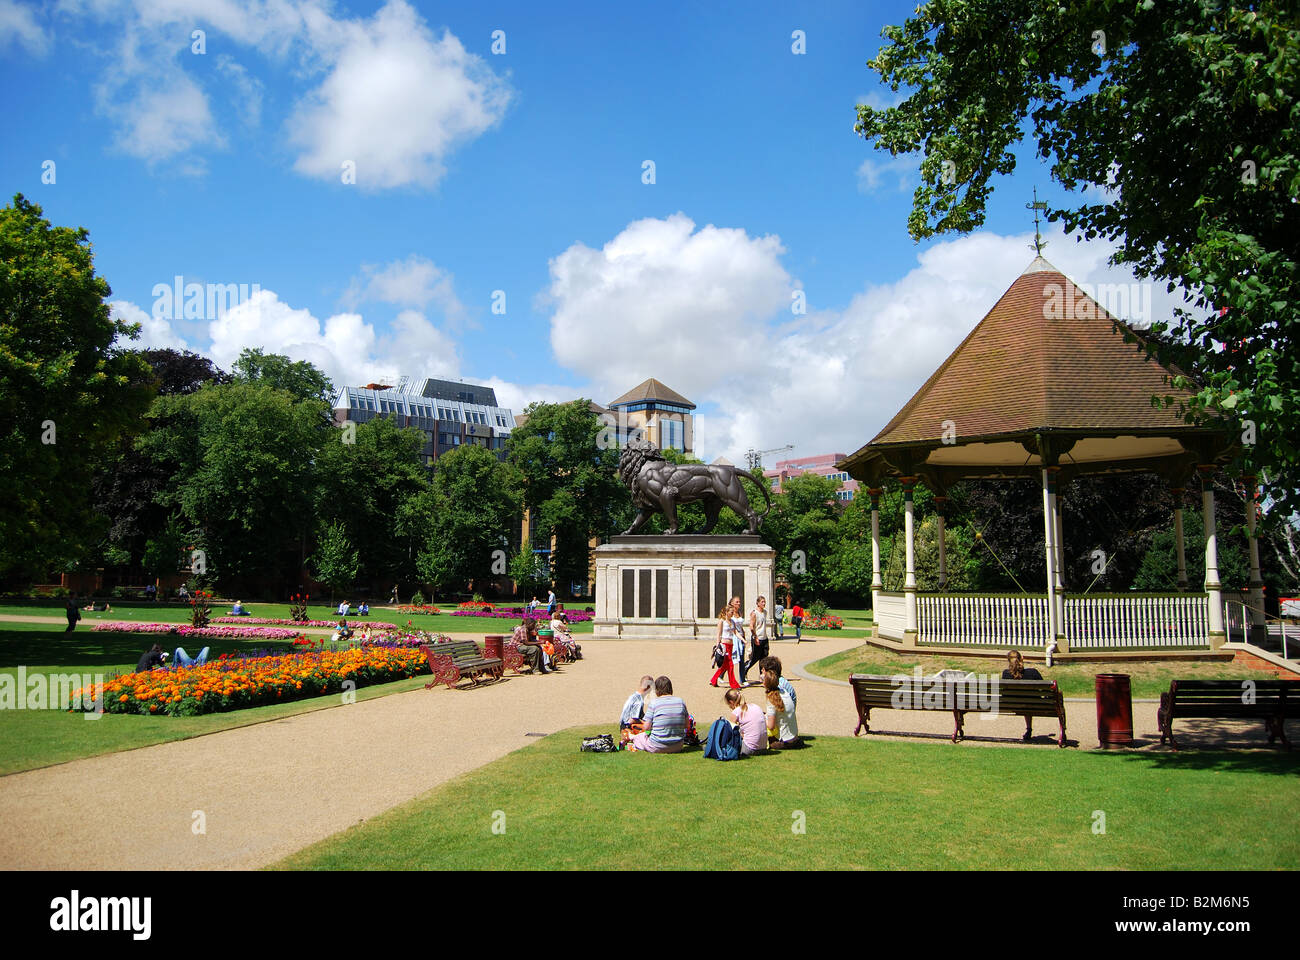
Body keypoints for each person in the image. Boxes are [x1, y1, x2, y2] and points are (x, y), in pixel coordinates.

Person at [629, 676, 690, 753]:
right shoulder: (681, 701)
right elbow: (687, 725)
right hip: (678, 746)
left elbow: (646, 727)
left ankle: (631, 738)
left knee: (639, 737)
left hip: (657, 746)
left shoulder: (654, 703)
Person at [1002, 649, 1044, 741]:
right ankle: (1029, 729)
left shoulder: (1005, 674)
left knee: (1025, 702)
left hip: (1012, 705)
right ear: (1022, 659)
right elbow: (1044, 689)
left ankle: (1029, 729)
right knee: (1027, 702)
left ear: (1008, 661)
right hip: (1034, 705)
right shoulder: (1033, 673)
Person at [710, 596, 744, 690]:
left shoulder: (732, 621)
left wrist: (743, 639)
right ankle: (734, 684)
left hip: (731, 645)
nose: (733, 613)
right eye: (731, 612)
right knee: (730, 665)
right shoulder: (722, 621)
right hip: (724, 645)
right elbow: (719, 634)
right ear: (726, 612)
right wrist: (718, 646)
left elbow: (735, 632)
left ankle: (713, 680)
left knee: (725, 665)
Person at [763, 669, 803, 749]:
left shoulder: (772, 699)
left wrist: (762, 718)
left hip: (784, 740)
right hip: (794, 737)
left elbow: (771, 726)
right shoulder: (785, 692)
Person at [724, 688, 767, 756]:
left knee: (726, 745)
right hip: (764, 747)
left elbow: (730, 733)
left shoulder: (736, 711)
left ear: (731, 702)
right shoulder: (755, 706)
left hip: (750, 749)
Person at [620, 675, 655, 742]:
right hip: (627, 727)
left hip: (623, 726)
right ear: (648, 687)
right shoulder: (638, 700)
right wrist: (645, 722)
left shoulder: (633, 696)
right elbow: (632, 720)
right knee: (650, 727)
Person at [745, 596, 770, 682]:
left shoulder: (765, 612)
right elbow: (751, 626)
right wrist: (755, 637)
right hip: (757, 638)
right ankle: (745, 669)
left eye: (764, 602)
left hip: (764, 638)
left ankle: (762, 676)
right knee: (755, 658)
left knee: (764, 658)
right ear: (758, 603)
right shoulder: (754, 613)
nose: (764, 603)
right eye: (762, 602)